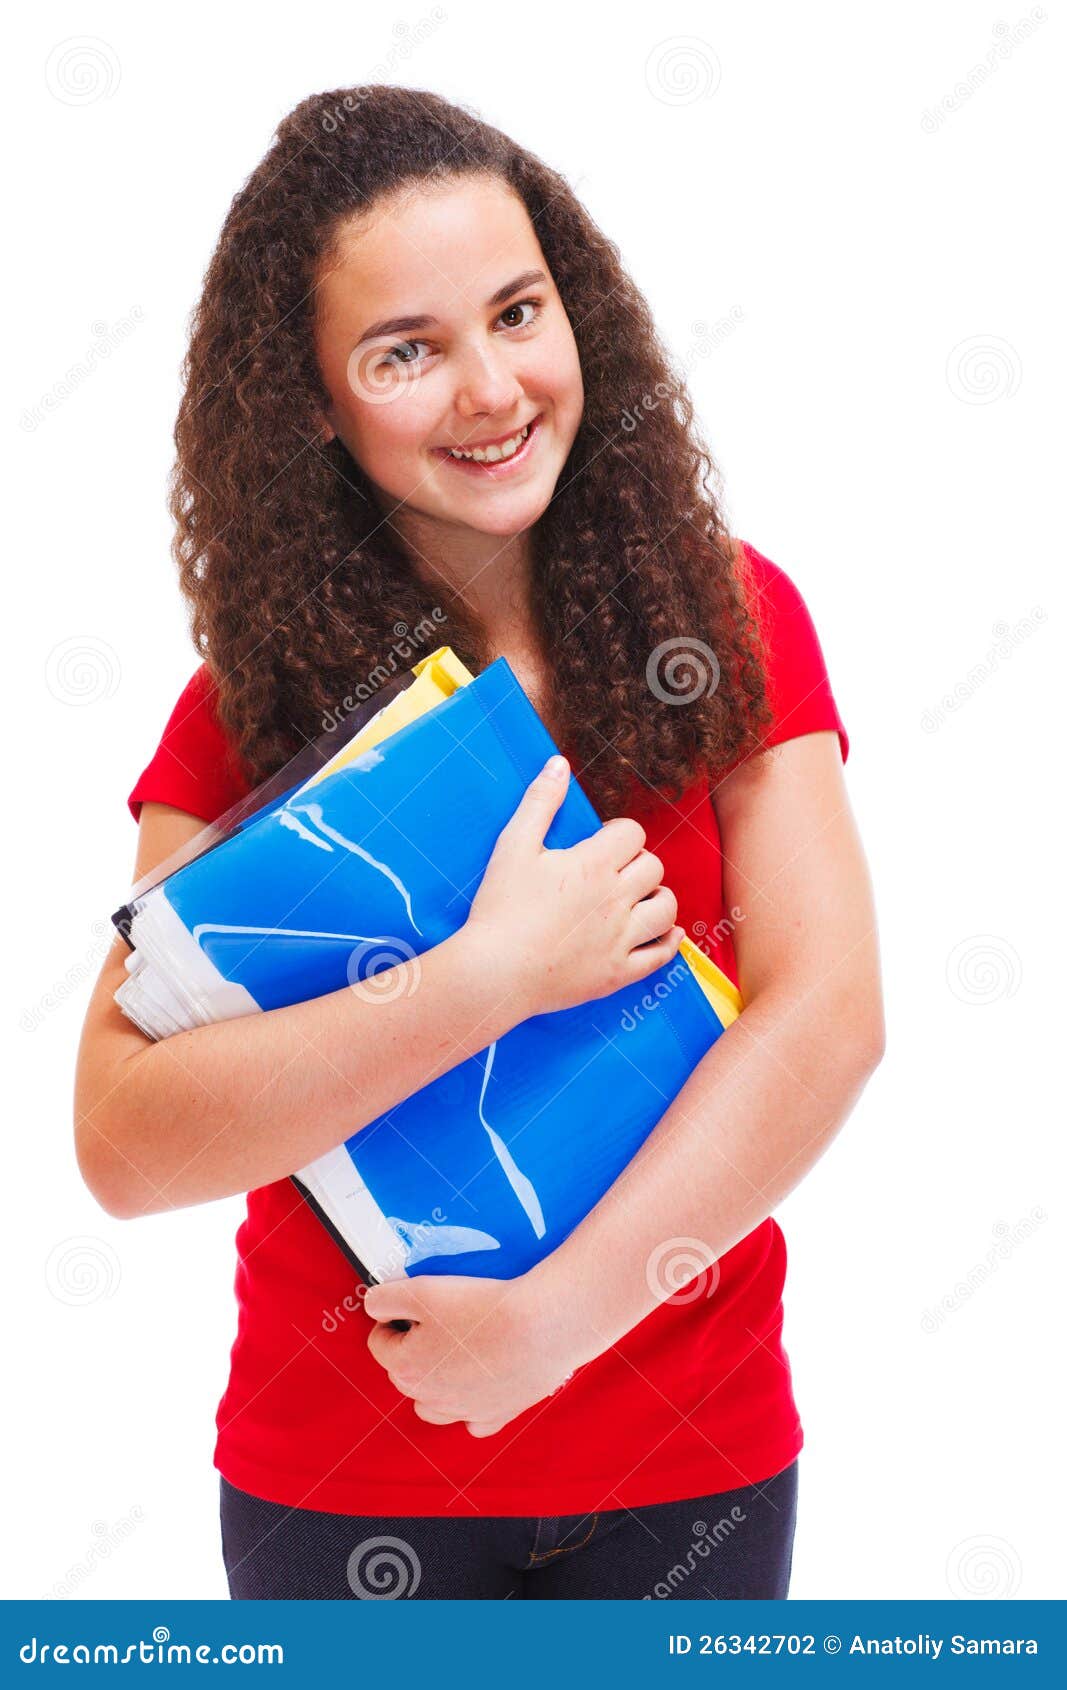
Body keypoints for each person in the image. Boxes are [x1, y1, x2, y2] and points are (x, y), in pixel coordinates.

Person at [74, 85, 885, 1601]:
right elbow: (122, 1137)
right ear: (313, 399)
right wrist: (486, 976)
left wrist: (561, 1318)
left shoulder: (728, 621)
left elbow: (830, 1016)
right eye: (406, 351)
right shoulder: (246, 709)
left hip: (687, 1469)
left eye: (519, 313)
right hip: (339, 1480)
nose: (492, 388)